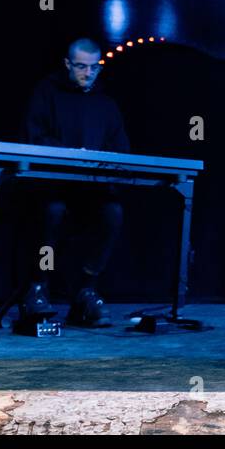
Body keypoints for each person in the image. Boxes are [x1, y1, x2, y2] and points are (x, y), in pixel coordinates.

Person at [20, 37, 130, 327]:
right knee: (52, 211)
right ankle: (38, 287)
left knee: (112, 213)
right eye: (81, 66)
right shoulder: (47, 92)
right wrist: (69, 154)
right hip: (52, 187)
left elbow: (122, 149)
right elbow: (35, 137)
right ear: (68, 64)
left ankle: (86, 289)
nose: (88, 73)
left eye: (94, 68)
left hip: (91, 191)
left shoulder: (106, 103)